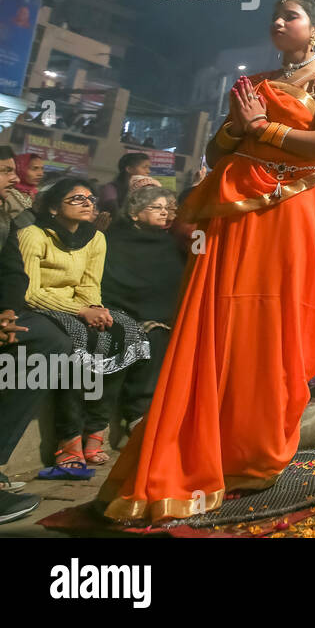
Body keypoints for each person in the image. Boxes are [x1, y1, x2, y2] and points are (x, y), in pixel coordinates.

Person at [98, 0, 315, 523]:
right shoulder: (254, 84)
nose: (279, 22)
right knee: (222, 320)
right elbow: (217, 153)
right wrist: (241, 125)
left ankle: (257, 449)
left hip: (292, 211)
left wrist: (261, 128)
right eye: (276, 16)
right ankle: (210, 446)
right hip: (238, 213)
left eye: (292, 16)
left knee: (276, 320)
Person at [19, 178, 151, 472]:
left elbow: (90, 284)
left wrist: (95, 309)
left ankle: (96, 429)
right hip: (41, 308)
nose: (88, 203)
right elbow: (30, 292)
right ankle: (69, 438)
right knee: (79, 343)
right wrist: (80, 311)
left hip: (78, 308)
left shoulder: (95, 237)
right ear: (54, 207)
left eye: (91, 198)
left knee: (127, 333)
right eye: (77, 198)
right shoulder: (34, 234)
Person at [0, 148, 71, 523]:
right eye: (4, 171)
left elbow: (13, 271)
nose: (13, 178)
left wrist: (7, 314)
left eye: (14, 171)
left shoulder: (7, 214)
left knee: (51, 342)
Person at [101, 185, 185, 432]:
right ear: (135, 213)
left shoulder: (169, 244)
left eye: (166, 208)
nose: (163, 213)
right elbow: (113, 281)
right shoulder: (115, 240)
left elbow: (171, 284)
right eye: (155, 207)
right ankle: (138, 414)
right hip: (122, 311)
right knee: (153, 335)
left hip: (161, 313)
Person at [96, 152, 151, 223]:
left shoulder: (145, 190)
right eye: (144, 167)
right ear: (129, 169)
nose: (148, 171)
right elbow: (115, 213)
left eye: (149, 167)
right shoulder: (110, 189)